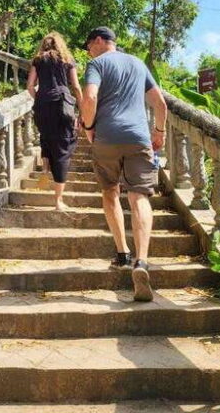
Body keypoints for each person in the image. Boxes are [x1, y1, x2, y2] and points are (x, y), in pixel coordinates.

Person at [79, 26, 167, 302]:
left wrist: (88, 126)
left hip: (107, 137)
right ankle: (141, 262)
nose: (89, 51)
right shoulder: (138, 64)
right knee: (139, 197)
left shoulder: (96, 64)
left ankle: (122, 254)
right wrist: (159, 132)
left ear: (98, 41)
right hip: (139, 137)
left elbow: (90, 97)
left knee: (110, 192)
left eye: (89, 46)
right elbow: (160, 103)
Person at [26, 32, 83, 211]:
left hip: (43, 105)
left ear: (44, 45)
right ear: (60, 44)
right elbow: (75, 86)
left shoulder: (38, 60)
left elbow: (29, 86)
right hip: (62, 105)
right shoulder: (67, 59)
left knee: (46, 137)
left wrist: (40, 98)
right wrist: (81, 109)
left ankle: (44, 170)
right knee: (63, 149)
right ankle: (58, 201)